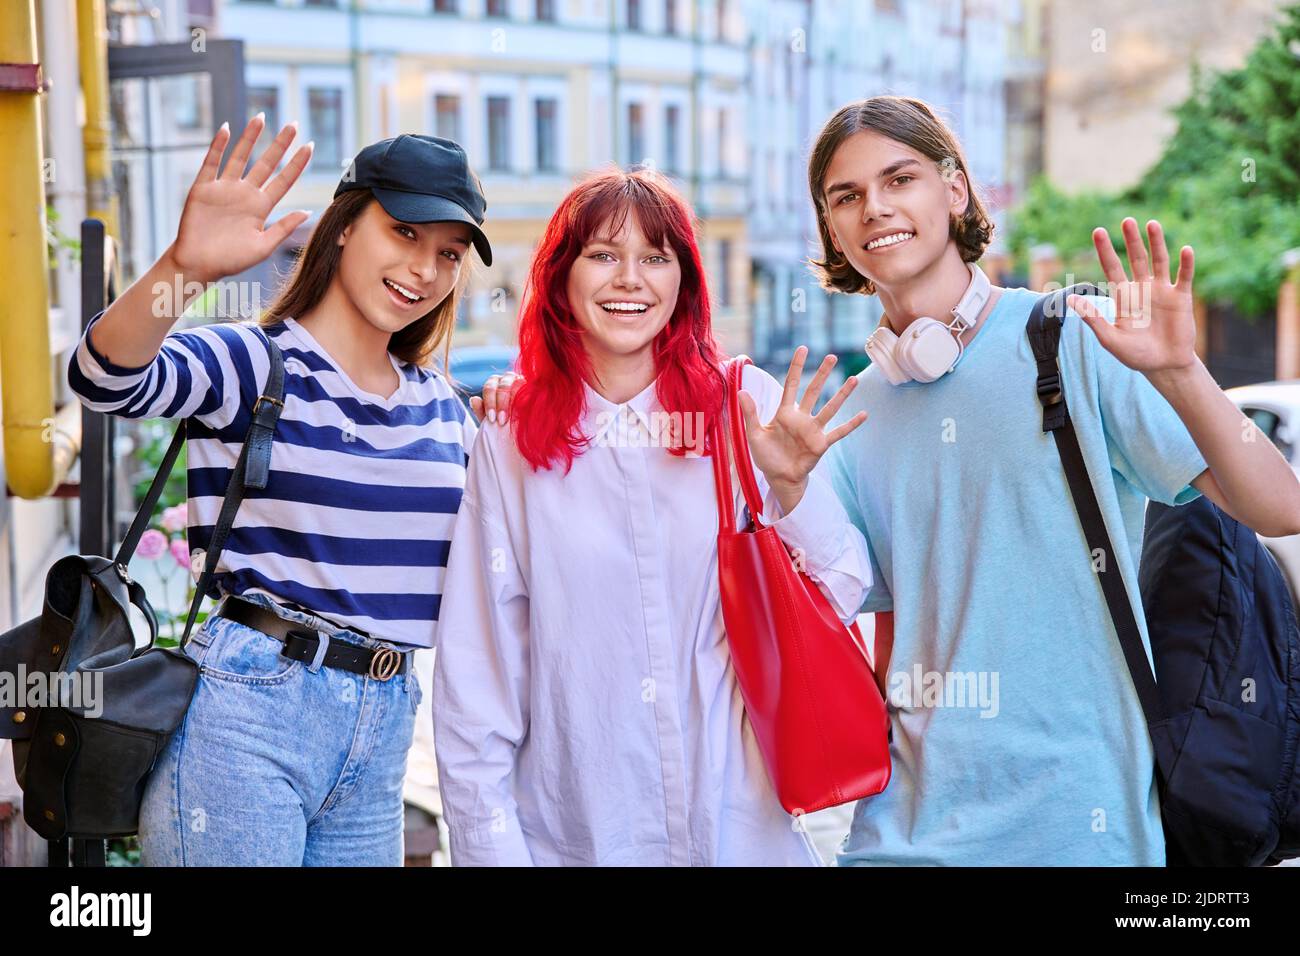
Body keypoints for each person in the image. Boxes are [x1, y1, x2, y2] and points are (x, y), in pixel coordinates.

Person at [805, 95, 1300, 865]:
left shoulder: (1073, 339)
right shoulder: (850, 414)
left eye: (899, 179)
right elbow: (865, 626)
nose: (875, 208)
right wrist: (778, 490)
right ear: (832, 227)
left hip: (1079, 827)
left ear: (954, 190)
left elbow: (1277, 504)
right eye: (847, 196)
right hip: (900, 837)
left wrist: (1179, 370)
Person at [66, 115, 496, 866]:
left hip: (385, 719)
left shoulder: (447, 411)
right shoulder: (254, 362)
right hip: (250, 711)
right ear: (342, 229)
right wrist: (184, 270)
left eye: (448, 254)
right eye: (402, 233)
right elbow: (103, 379)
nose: (424, 269)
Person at [431, 167, 874, 866]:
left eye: (655, 258)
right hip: (578, 838)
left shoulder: (744, 410)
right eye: (603, 255)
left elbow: (845, 589)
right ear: (561, 280)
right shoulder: (511, 443)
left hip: (742, 834)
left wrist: (790, 490)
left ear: (684, 283)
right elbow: (476, 679)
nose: (629, 279)